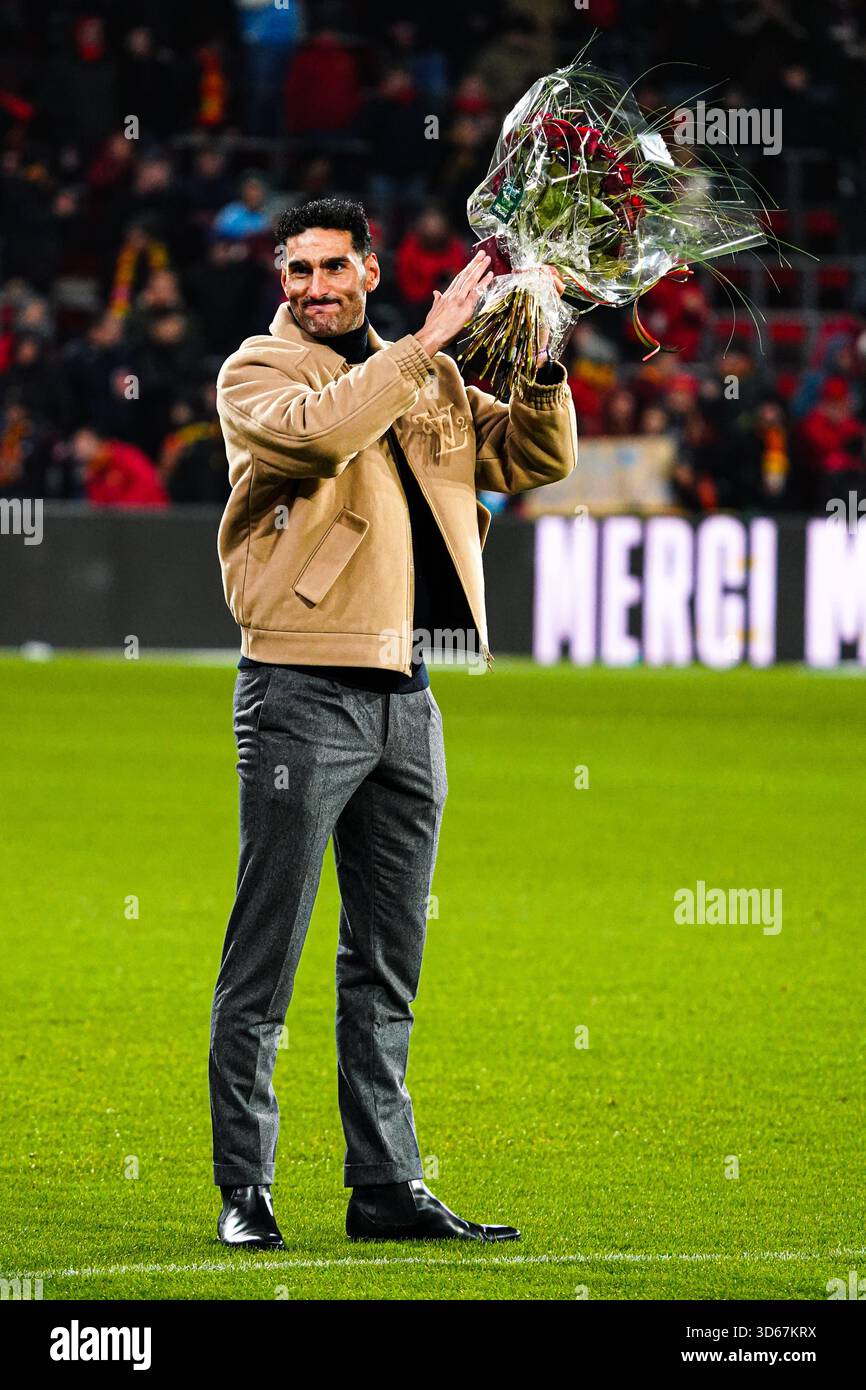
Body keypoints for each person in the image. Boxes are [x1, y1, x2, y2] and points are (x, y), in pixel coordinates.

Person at [209, 196, 577, 1247]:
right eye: (296, 271)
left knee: (387, 960)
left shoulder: (429, 375)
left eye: (333, 267)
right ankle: (246, 1186)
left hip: (410, 697)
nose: (313, 287)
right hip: (297, 690)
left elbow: (531, 461)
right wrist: (425, 344)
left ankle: (384, 1183)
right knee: (264, 955)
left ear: (369, 270)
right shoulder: (258, 373)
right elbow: (323, 438)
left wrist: (540, 360)